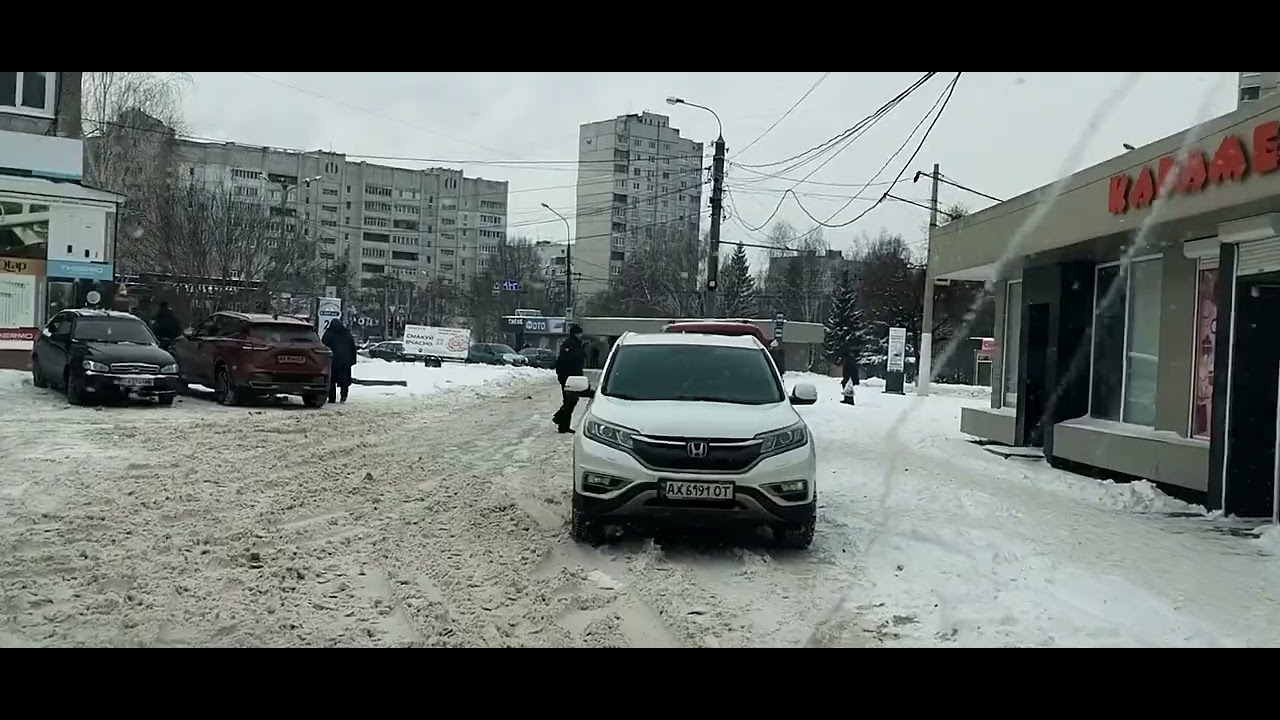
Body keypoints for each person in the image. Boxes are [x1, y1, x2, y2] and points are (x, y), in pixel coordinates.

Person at [552, 323, 586, 433]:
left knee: (570, 400)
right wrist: (562, 377)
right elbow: (564, 361)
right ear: (576, 334)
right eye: (579, 333)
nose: (581, 335)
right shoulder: (570, 345)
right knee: (571, 400)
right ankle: (559, 419)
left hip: (573, 376)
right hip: (568, 377)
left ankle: (563, 425)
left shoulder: (576, 344)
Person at [322, 318, 358, 403]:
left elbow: (324, 346)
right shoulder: (347, 334)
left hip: (332, 361)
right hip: (345, 361)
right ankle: (344, 395)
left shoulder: (328, 334)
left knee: (332, 380)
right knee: (344, 380)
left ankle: (332, 397)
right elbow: (353, 348)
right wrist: (352, 361)